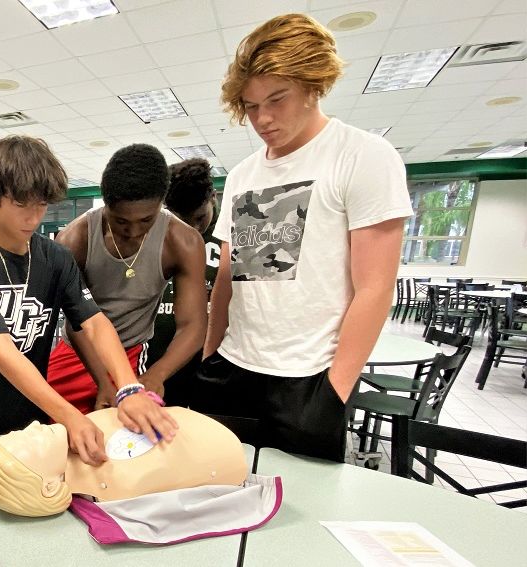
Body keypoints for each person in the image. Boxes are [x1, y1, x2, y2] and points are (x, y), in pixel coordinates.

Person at [196, 13, 413, 462]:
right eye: (251, 106)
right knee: (216, 491)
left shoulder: (363, 156)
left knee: (301, 512)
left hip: (309, 378)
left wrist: (335, 392)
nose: (263, 118)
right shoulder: (242, 175)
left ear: (314, 85)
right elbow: (227, 278)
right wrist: (210, 353)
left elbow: (375, 287)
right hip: (234, 365)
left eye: (277, 99)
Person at [0, 135, 178, 465]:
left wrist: (128, 387)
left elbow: (94, 322)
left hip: (30, 425)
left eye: (41, 204)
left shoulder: (55, 257)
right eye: (21, 204)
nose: (33, 218)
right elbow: (1, 350)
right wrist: (69, 414)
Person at [49, 144, 207, 414]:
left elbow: (193, 325)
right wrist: (102, 380)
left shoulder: (184, 242)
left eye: (146, 220)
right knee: (47, 433)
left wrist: (157, 374)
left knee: (129, 442)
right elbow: (77, 322)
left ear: (161, 203)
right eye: (121, 221)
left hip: (132, 352)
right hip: (78, 351)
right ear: (105, 203)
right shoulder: (75, 240)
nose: (133, 231)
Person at [0, 407, 247, 517]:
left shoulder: (77, 434)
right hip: (221, 449)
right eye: (28, 442)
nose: (35, 425)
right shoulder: (117, 485)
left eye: (23, 432)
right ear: (48, 486)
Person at [145, 158, 218, 407]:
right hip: (159, 363)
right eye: (183, 219)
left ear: (213, 198)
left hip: (212, 366)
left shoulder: (228, 237)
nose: (193, 228)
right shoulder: (157, 232)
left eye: (200, 217)